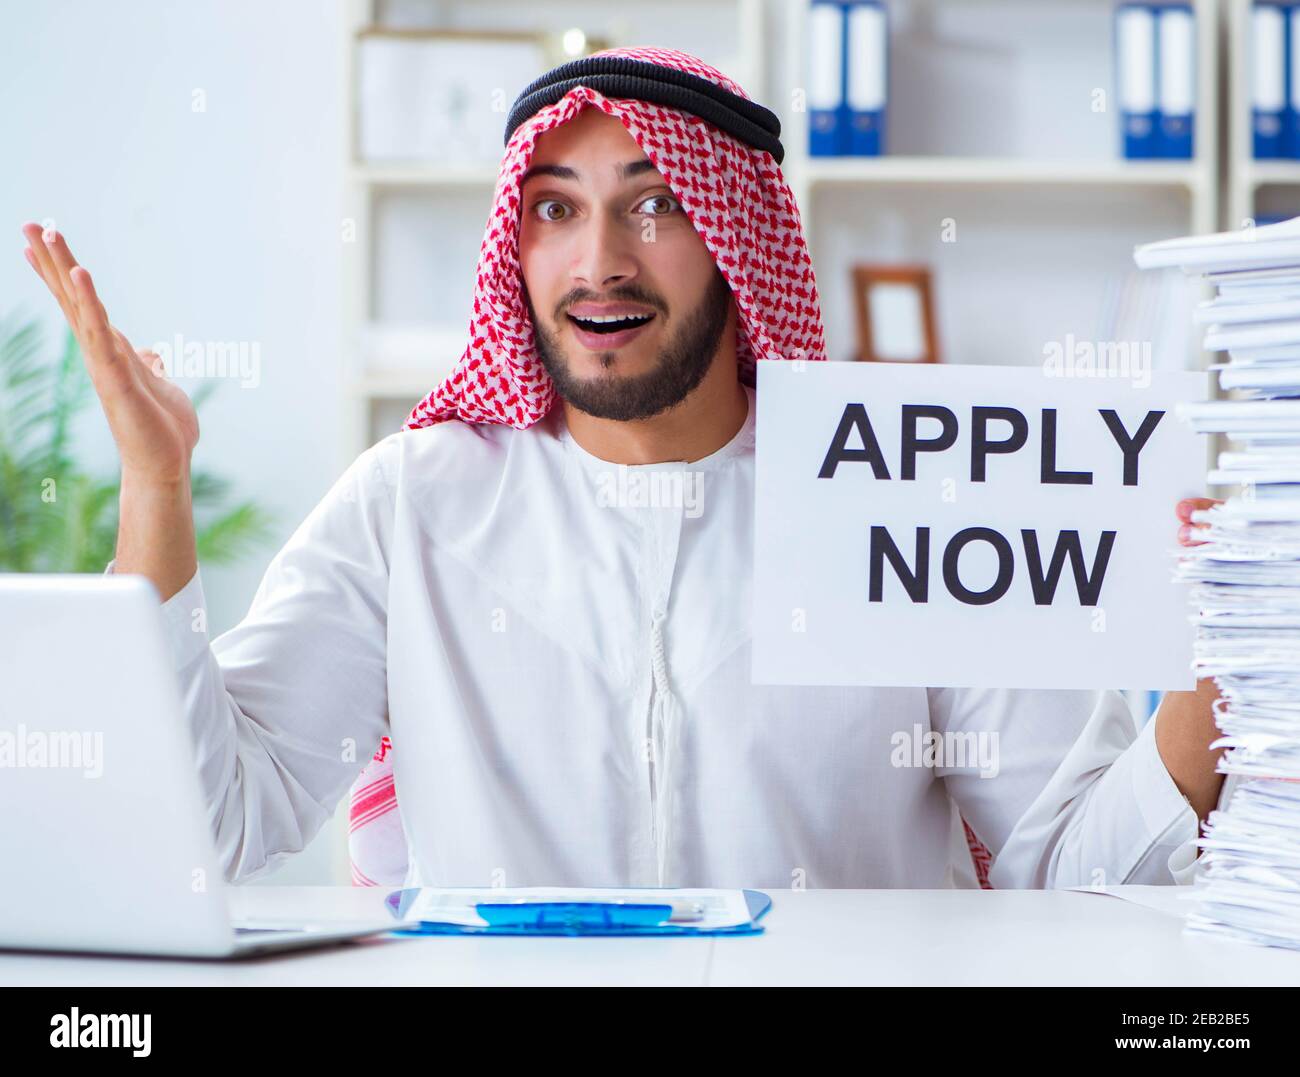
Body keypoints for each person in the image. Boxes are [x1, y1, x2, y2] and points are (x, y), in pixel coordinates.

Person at [20, 48, 1224, 891]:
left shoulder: (903, 499)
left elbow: (1066, 877)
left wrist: (1229, 665)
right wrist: (157, 485)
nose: (598, 260)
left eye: (654, 205)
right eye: (553, 210)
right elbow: (215, 824)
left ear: (736, 238)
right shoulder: (413, 504)